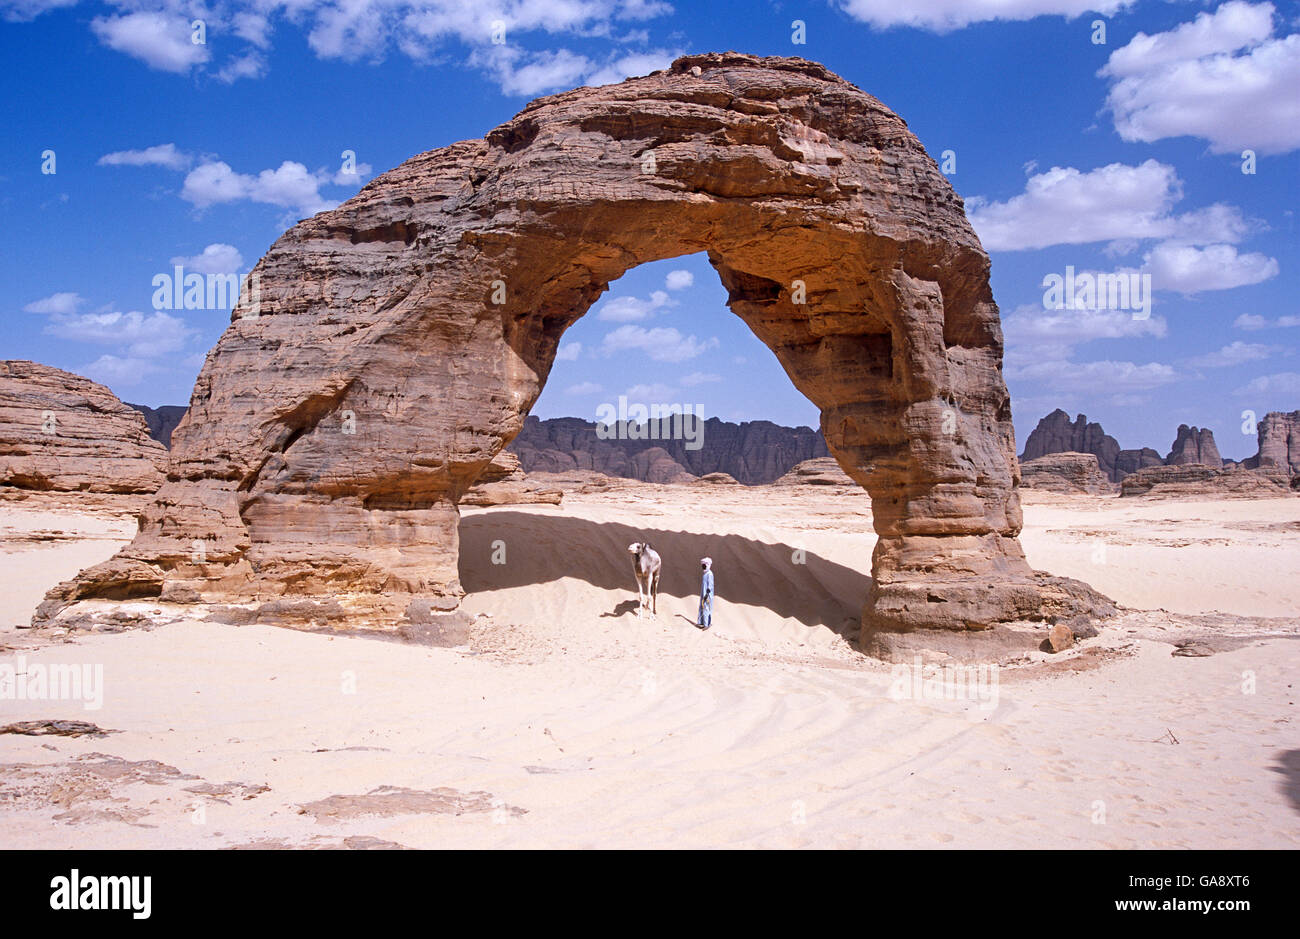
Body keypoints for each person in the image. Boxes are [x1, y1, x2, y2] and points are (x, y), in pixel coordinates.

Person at [696, 557, 714, 630]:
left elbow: (710, 585)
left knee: (706, 608)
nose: (703, 566)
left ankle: (707, 624)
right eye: (702, 565)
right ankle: (702, 622)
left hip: (707, 595)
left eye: (704, 565)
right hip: (703, 593)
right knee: (702, 607)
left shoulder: (709, 574)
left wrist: (707, 594)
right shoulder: (705, 573)